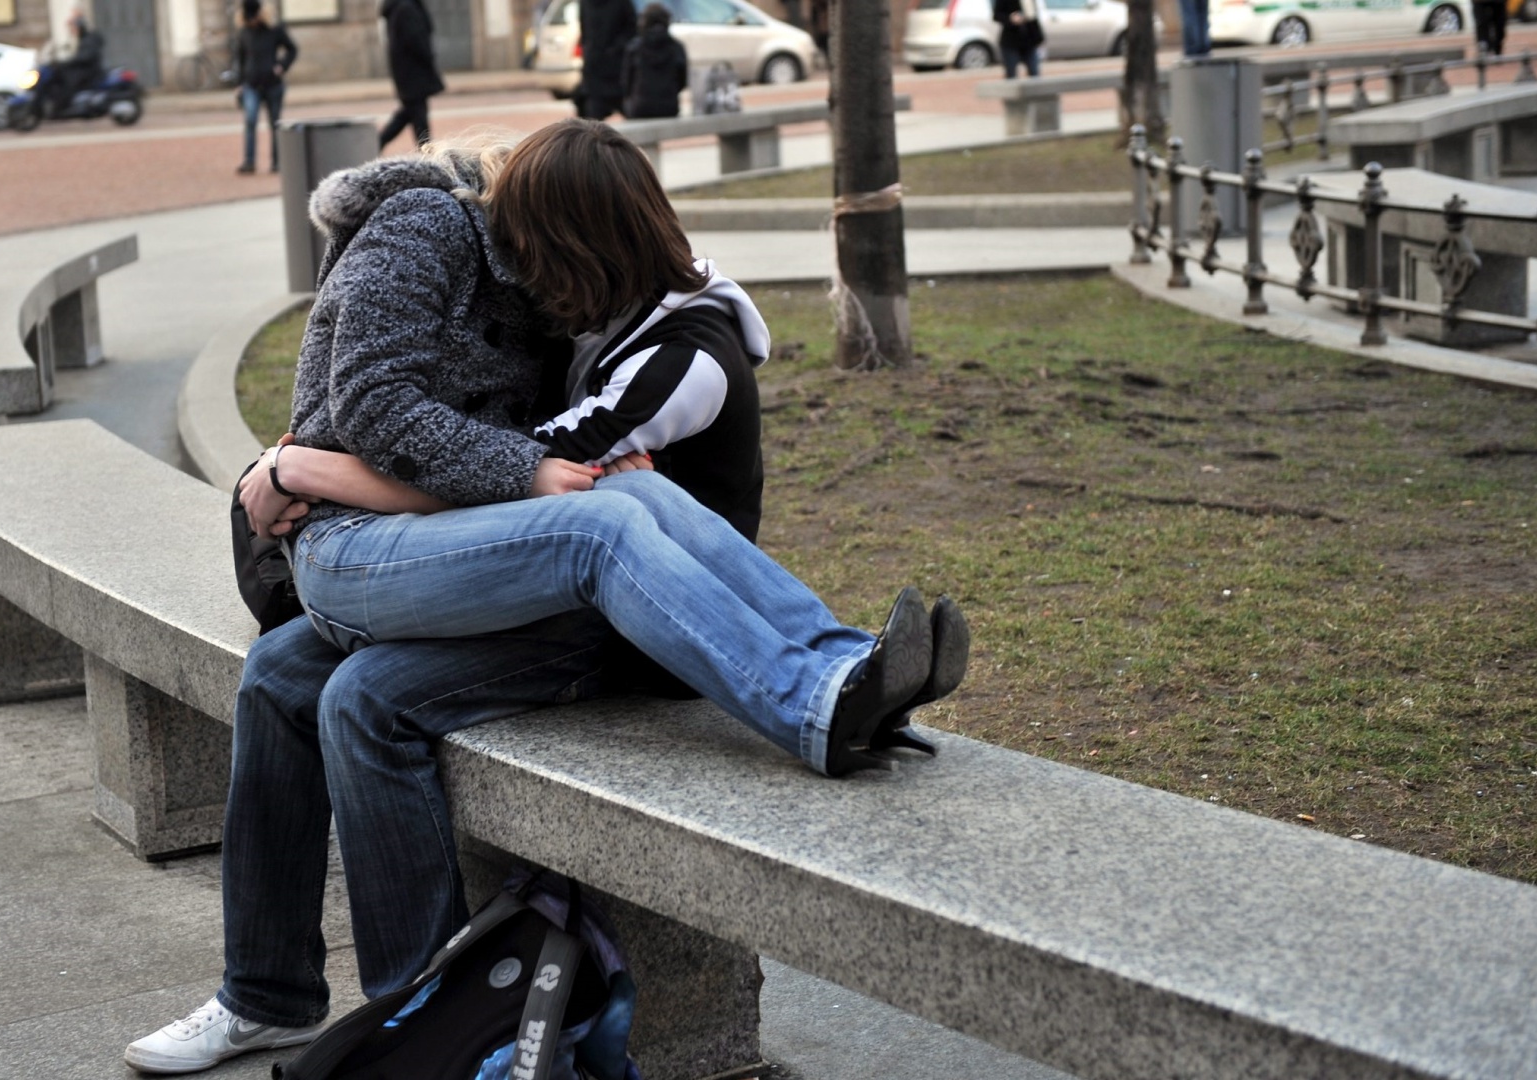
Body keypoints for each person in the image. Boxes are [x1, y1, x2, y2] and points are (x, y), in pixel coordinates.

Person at [122, 122, 968, 1072]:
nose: (588, 300)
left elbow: (547, 438)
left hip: (446, 552)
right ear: (559, 236)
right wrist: (510, 471)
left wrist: (511, 469)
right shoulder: (426, 234)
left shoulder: (576, 299)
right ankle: (275, 1000)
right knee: (598, 519)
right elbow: (382, 409)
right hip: (360, 550)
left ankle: (410, 1016)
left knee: (301, 678)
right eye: (592, 267)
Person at [233, 0, 297, 174]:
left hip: (272, 84)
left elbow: (292, 49)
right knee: (250, 121)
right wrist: (239, 83)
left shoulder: (275, 30)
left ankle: (277, 162)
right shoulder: (244, 32)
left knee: (274, 123)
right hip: (251, 84)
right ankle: (249, 161)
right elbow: (240, 58)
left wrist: (282, 66)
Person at [378, 0, 442, 150]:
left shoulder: (401, 6)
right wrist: (428, 57)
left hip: (408, 71)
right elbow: (416, 40)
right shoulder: (406, 8)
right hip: (413, 72)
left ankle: (377, 142)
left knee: (410, 112)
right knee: (417, 114)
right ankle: (426, 153)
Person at [622, 3, 687, 120]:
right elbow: (683, 82)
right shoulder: (677, 47)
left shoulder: (634, 48)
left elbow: (626, 82)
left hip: (640, 108)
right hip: (669, 108)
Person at [577, 0, 635, 120]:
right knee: (592, 121)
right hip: (598, 69)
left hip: (614, 70)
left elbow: (631, 28)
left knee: (632, 115)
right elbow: (584, 29)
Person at [994, 0, 1043, 78]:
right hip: (1011, 41)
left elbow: (1033, 18)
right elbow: (996, 15)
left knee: (1034, 73)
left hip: (1029, 40)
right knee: (1011, 75)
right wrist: (1010, 18)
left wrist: (1039, 38)